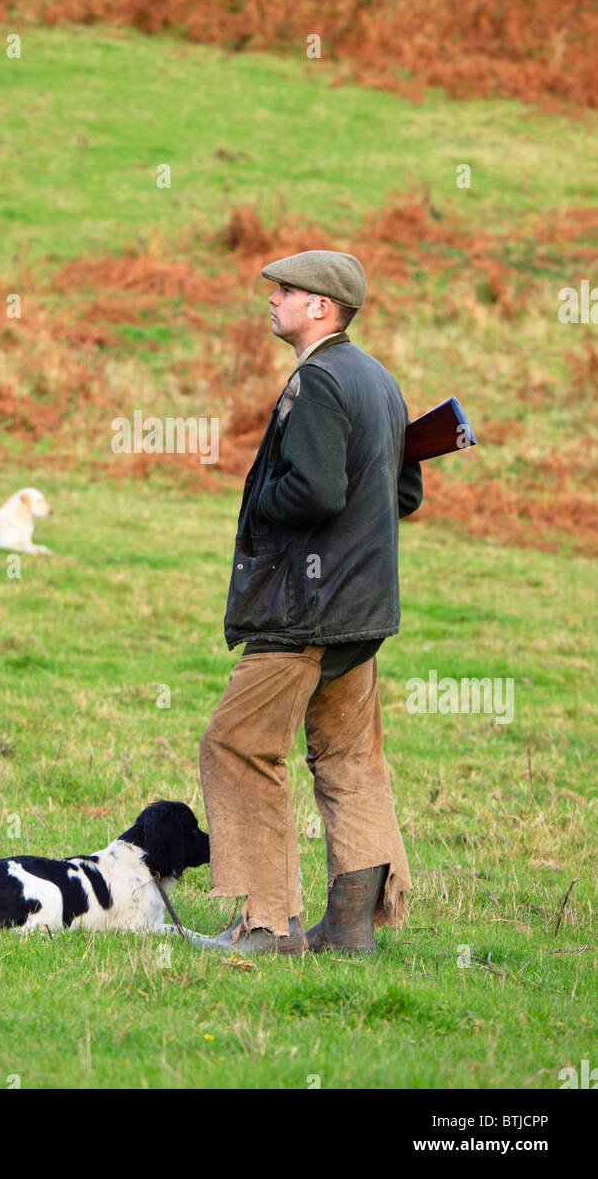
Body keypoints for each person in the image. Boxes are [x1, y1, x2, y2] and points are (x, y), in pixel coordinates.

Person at [196, 249, 423, 956]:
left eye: (285, 291)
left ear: (320, 308)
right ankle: (353, 930)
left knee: (236, 747)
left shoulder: (320, 381)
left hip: (306, 611)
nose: (271, 299)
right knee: (350, 760)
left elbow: (316, 491)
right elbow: (406, 494)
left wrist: (261, 495)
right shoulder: (380, 381)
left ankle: (268, 927)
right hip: (362, 613)